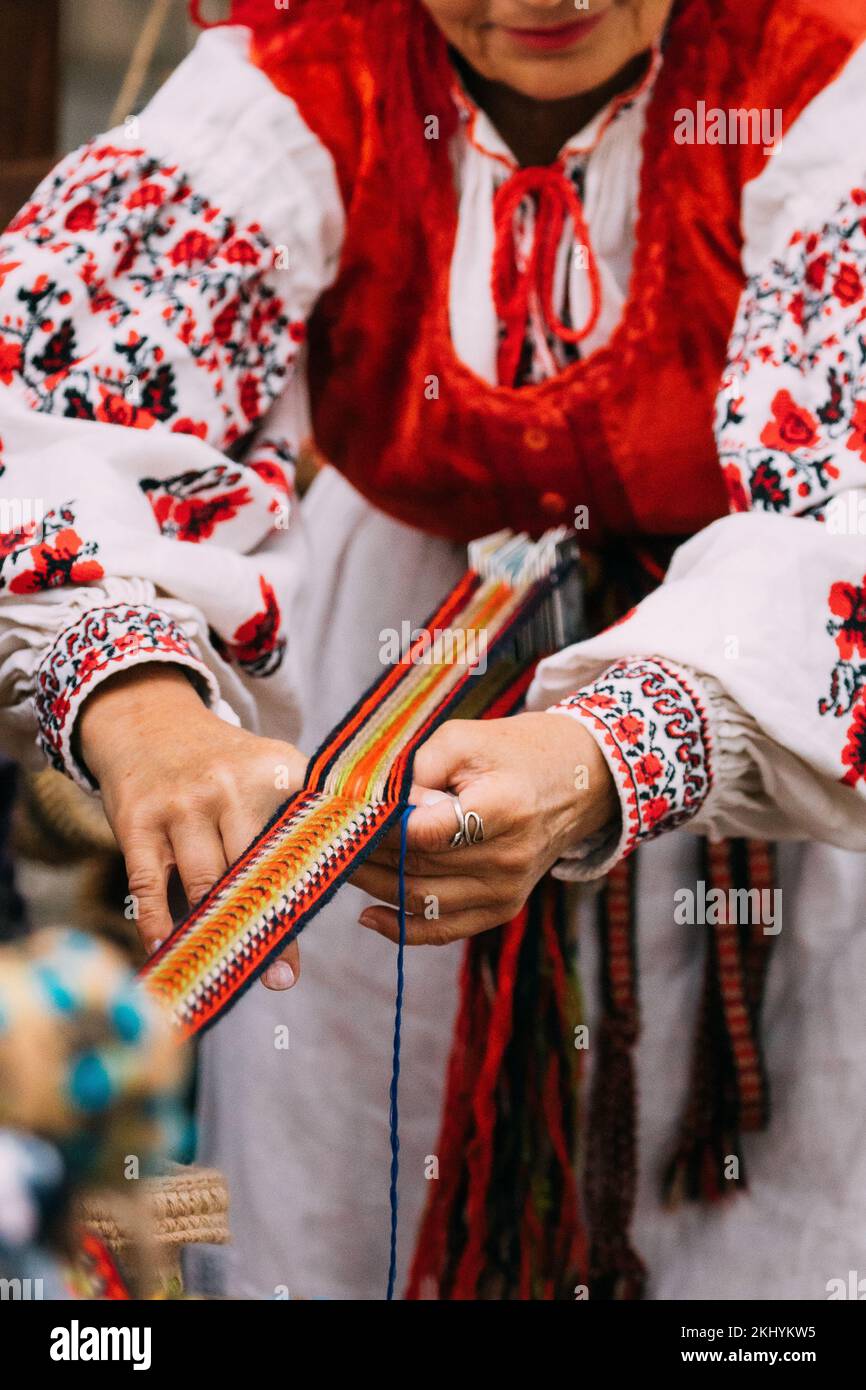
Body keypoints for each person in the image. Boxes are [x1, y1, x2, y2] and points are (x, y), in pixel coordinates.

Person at [0, 0, 865, 1299]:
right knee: (344, 1185)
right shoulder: (306, 78)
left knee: (759, 1246)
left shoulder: (818, 77)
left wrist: (609, 746)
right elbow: (44, 401)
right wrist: (145, 705)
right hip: (383, 708)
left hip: (762, 733)